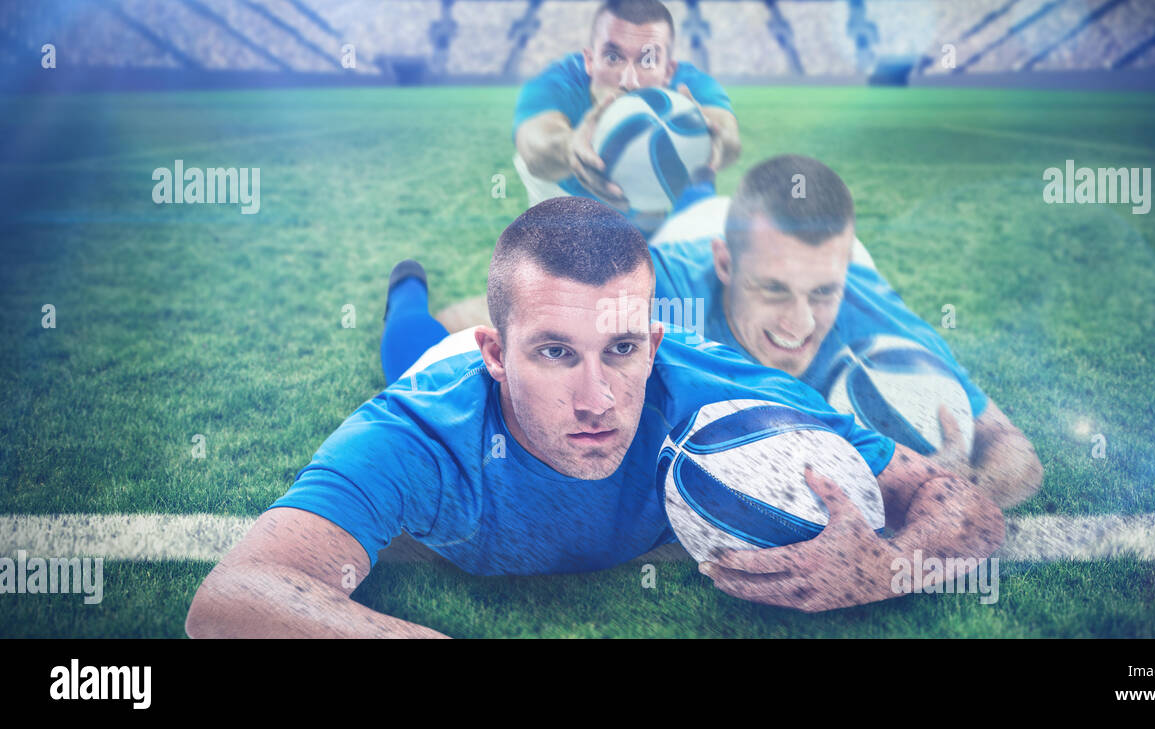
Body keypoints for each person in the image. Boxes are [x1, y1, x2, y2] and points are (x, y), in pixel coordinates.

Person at [185, 198, 1004, 637]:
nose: (596, 399)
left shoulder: (718, 392)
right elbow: (235, 596)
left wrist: (888, 563)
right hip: (435, 369)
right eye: (552, 353)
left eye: (620, 350)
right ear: (498, 355)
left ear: (654, 341)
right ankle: (408, 288)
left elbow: (964, 503)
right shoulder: (422, 431)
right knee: (405, 342)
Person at [650, 155, 1044, 509]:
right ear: (725, 264)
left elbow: (1011, 448)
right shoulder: (663, 291)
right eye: (773, 288)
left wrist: (947, 493)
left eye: (822, 292)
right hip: (690, 226)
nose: (799, 323)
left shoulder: (868, 311)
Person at [512, 0, 740, 218]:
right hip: (560, 193)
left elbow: (728, 135)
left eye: (648, 60)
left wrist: (711, 139)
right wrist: (570, 148)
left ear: (669, 71)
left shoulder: (691, 83)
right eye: (613, 57)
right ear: (589, 61)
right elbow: (533, 142)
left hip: (650, 202)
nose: (629, 81)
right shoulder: (557, 81)